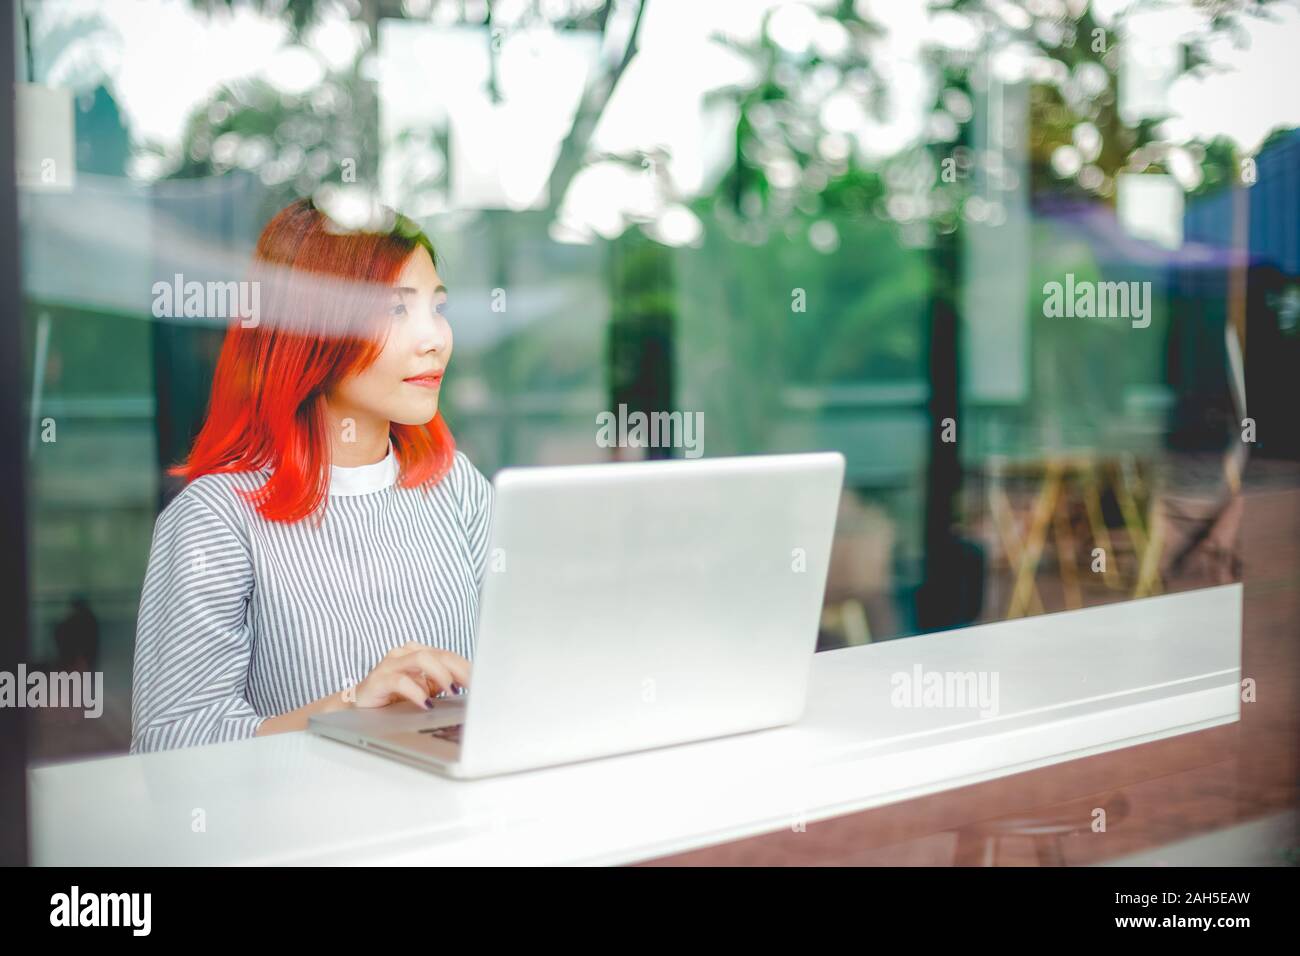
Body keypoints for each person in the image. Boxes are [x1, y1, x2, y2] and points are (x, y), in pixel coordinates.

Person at [130, 197, 490, 754]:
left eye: (436, 307)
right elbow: (169, 742)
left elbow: (522, 664)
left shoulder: (455, 486)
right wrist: (348, 708)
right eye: (397, 310)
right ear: (312, 329)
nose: (436, 338)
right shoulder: (217, 518)